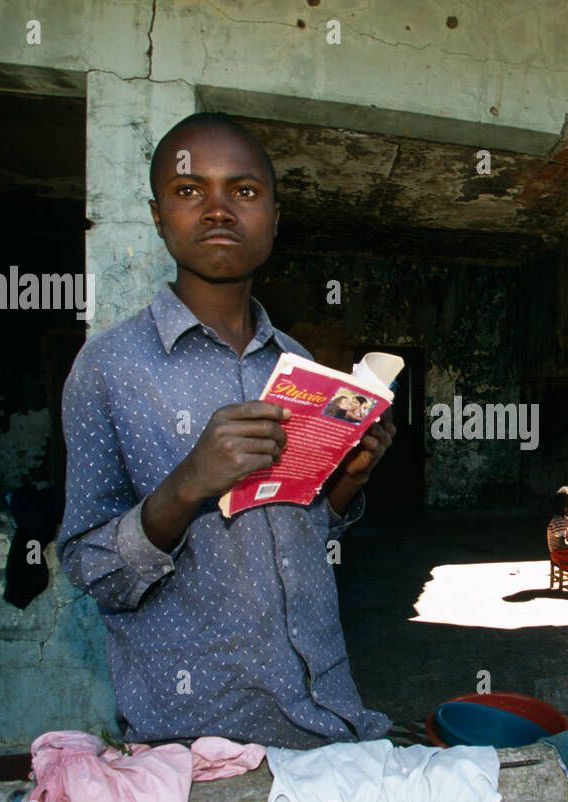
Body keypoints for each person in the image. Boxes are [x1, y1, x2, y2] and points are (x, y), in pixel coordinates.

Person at [57, 112, 396, 749]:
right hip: (201, 735)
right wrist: (186, 485)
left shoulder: (297, 363)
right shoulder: (107, 367)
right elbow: (88, 568)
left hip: (330, 715)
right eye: (190, 191)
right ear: (159, 217)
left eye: (243, 191)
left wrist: (348, 479)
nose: (218, 210)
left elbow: (307, 528)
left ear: (273, 214)